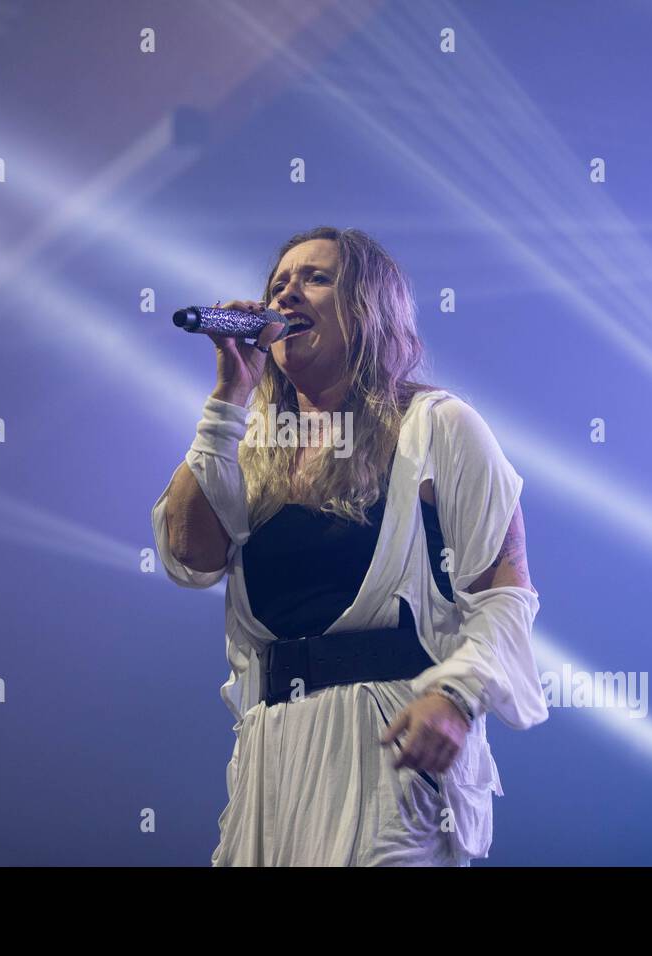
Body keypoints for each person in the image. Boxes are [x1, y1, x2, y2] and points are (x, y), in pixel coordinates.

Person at [151, 226, 547, 866]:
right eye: (278, 283)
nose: (287, 294)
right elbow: (188, 554)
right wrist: (229, 396)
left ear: (368, 309)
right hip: (274, 749)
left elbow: (505, 587)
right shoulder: (253, 445)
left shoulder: (437, 425)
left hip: (389, 740)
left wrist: (456, 695)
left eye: (315, 278)